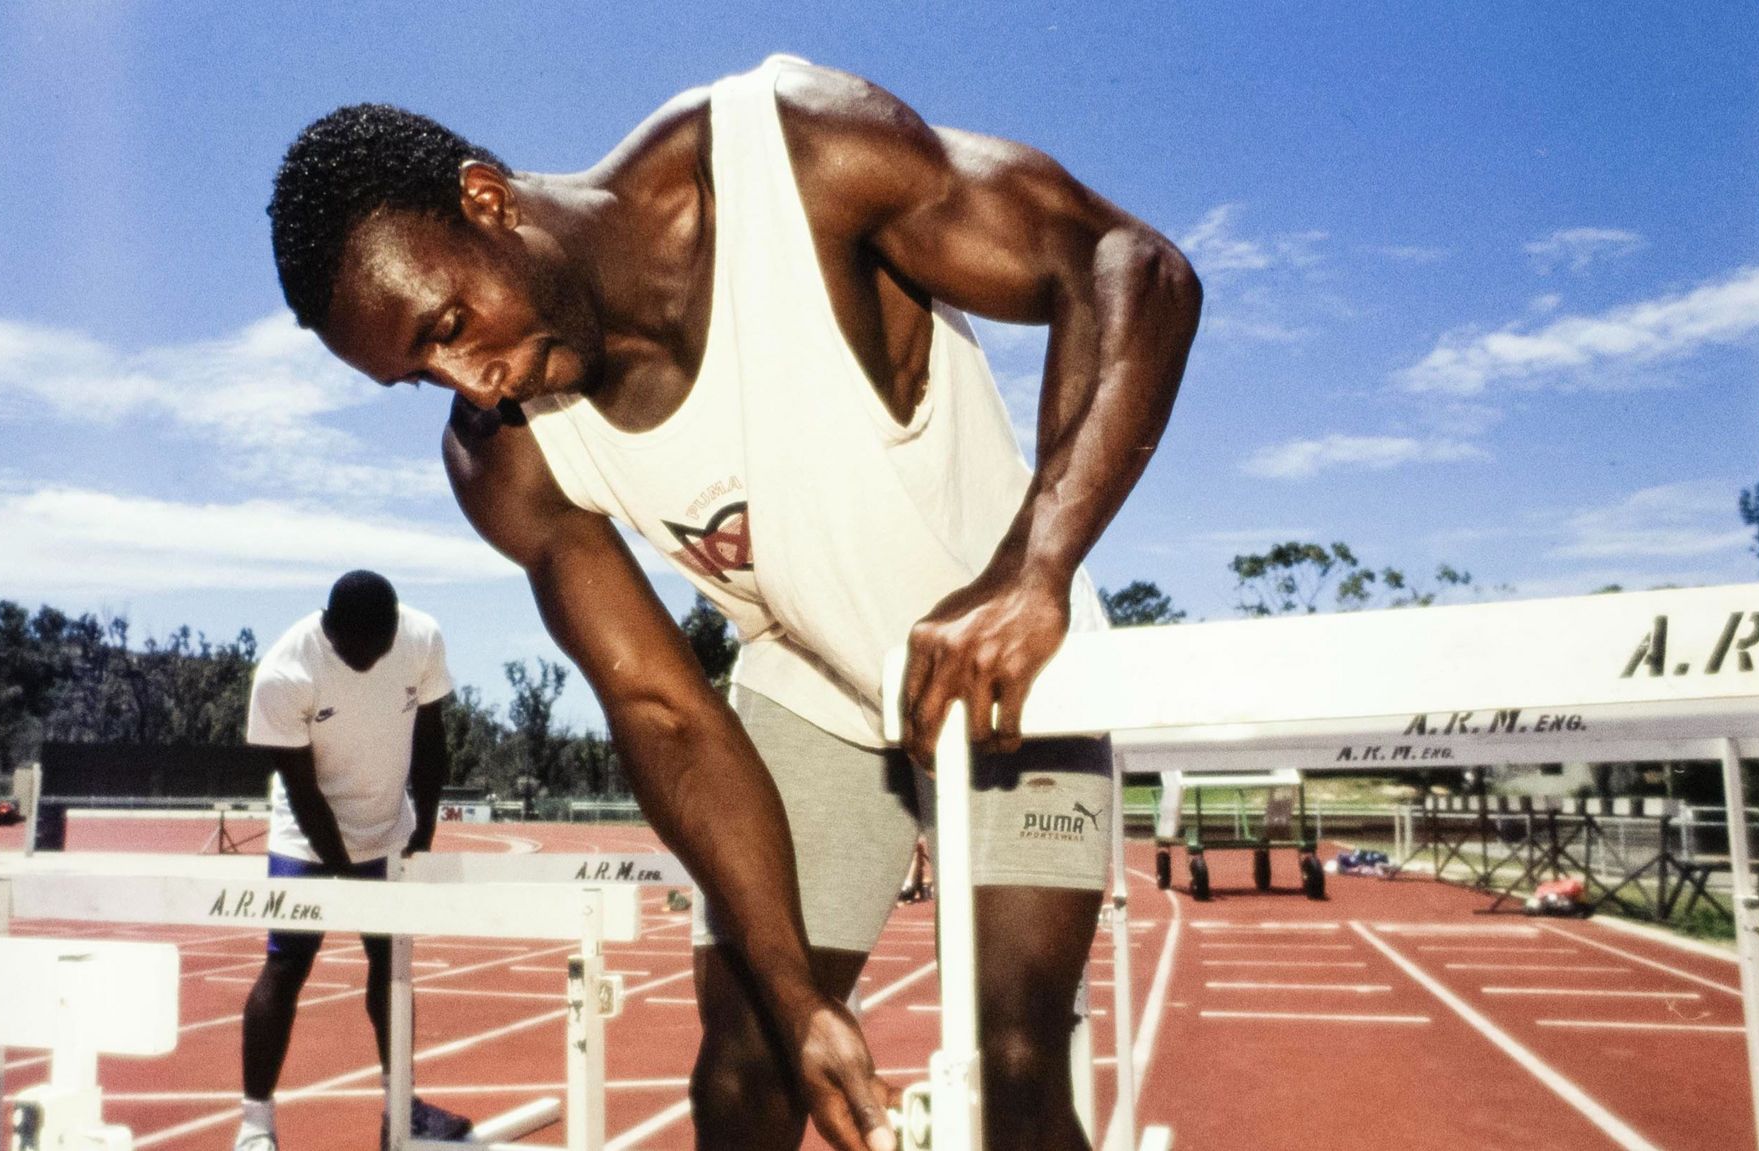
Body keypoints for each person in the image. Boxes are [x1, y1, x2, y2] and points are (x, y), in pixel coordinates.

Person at [267, 56, 1200, 1151]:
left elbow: (1125, 262)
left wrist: (1034, 567)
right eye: (421, 375)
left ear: (486, 200)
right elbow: (663, 710)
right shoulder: (504, 457)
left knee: (1012, 1066)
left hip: (1011, 663)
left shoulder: (786, 158)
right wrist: (800, 995)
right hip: (811, 675)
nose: (470, 379)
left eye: (447, 324)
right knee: (750, 1059)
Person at [235, 570, 471, 1149]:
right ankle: (254, 1124)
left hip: (389, 830)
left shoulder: (421, 638)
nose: (368, 658)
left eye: (380, 645)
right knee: (287, 963)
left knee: (392, 967)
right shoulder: (285, 672)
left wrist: (427, 825)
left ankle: (401, 1108)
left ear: (396, 629)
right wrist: (341, 869)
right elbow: (300, 788)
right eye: (355, 648)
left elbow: (433, 740)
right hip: (306, 837)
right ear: (330, 629)